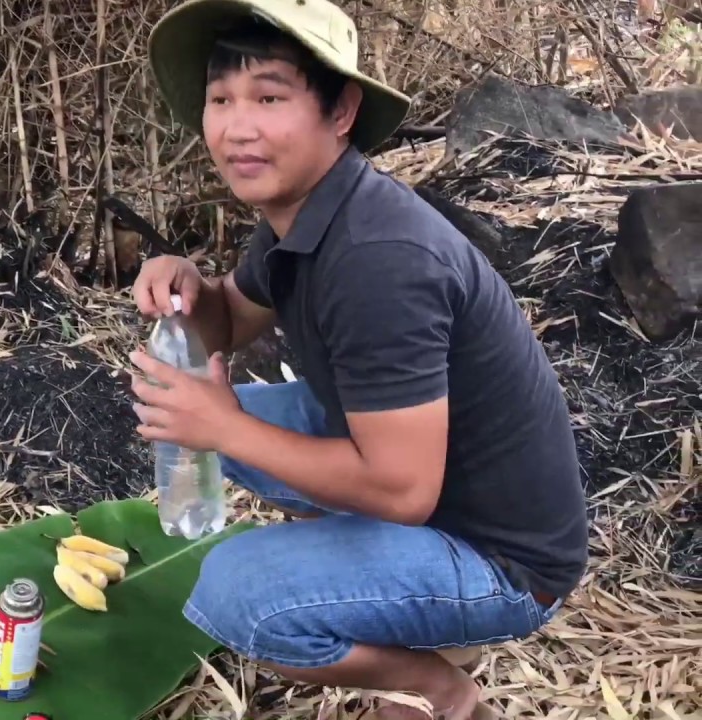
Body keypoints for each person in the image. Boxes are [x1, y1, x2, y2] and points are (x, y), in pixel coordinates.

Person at [127, 0, 589, 718]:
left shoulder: (381, 260)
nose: (236, 126)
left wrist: (220, 428)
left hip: (504, 563)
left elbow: (404, 491)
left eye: (270, 97)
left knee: (238, 596)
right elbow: (228, 323)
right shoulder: (305, 213)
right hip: (436, 494)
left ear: (340, 111)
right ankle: (374, 592)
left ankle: (441, 687)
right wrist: (188, 285)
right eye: (222, 99)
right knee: (233, 422)